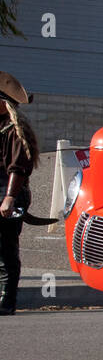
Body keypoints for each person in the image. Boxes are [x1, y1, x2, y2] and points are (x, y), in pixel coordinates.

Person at [0, 71, 37, 315]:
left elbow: (18, 166)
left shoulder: (15, 129)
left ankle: (7, 302)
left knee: (6, 251)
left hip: (8, 194)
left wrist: (9, 198)